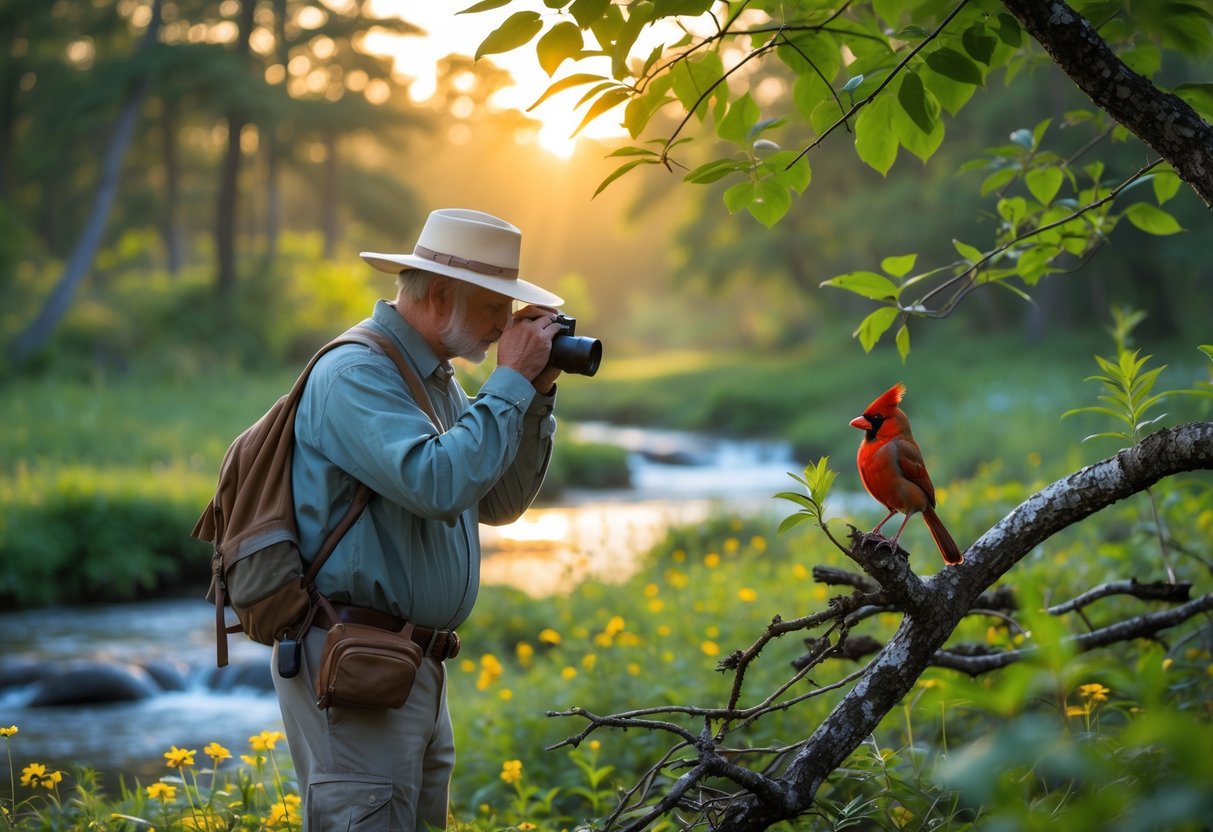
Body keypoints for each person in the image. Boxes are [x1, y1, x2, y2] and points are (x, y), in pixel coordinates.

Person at [272, 208, 566, 830]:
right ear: (439, 294)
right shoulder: (358, 373)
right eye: (495, 308)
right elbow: (438, 484)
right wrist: (508, 381)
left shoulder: (435, 380)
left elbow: (497, 500)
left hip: (413, 669)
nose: (501, 328)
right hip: (353, 666)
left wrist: (534, 396)